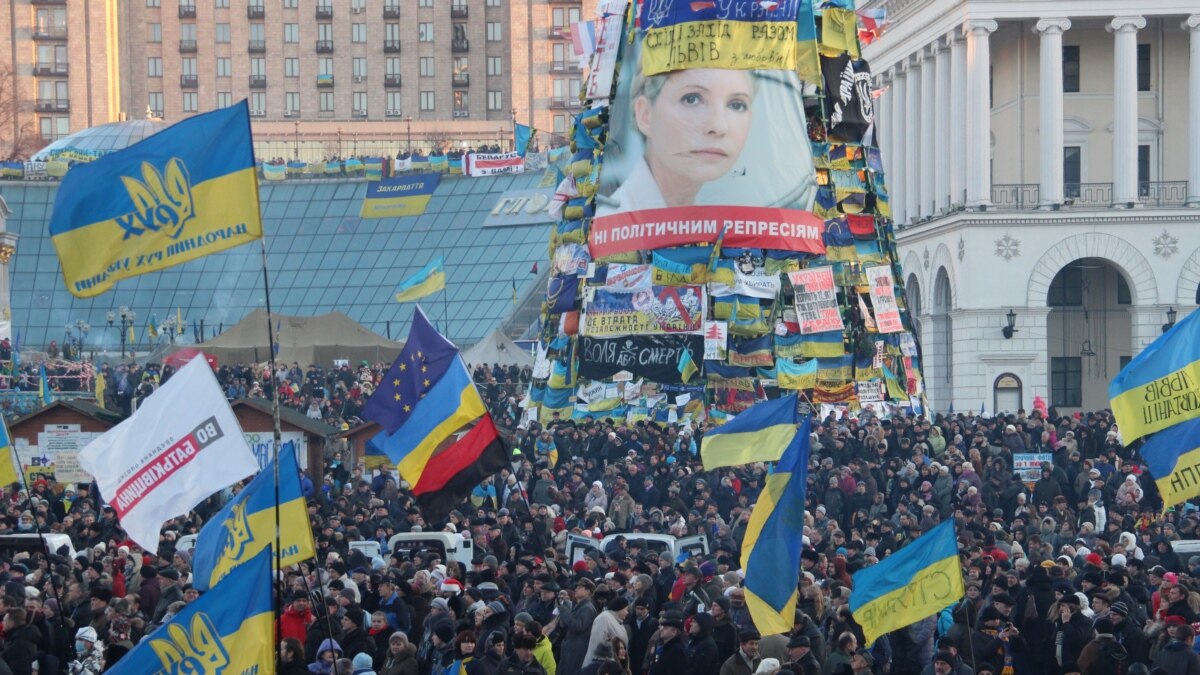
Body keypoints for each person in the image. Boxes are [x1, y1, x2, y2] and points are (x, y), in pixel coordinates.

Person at [599, 66, 756, 214]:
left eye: (737, 105)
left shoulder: (714, 223)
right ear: (646, 115)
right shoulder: (604, 230)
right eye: (692, 99)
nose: (719, 126)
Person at [649, 611, 688, 675]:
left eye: (665, 628)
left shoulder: (677, 650)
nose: (661, 630)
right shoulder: (663, 646)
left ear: (674, 631)